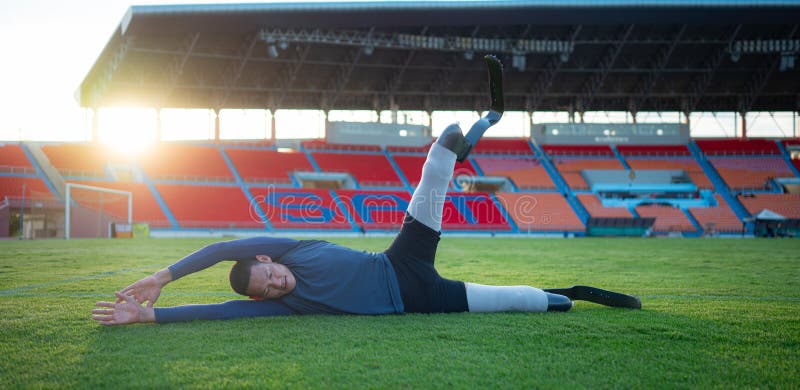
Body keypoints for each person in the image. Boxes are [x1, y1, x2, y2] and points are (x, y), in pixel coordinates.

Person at [92, 118, 638, 326]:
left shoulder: (288, 248)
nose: (277, 283)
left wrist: (163, 277)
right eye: (269, 290)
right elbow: (219, 310)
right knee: (521, 300)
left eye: (269, 275)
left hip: (403, 259)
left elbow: (223, 246)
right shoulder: (288, 305)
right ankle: (573, 296)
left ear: (266, 260)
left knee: (440, 153)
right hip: (421, 299)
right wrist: (151, 320)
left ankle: (460, 142)